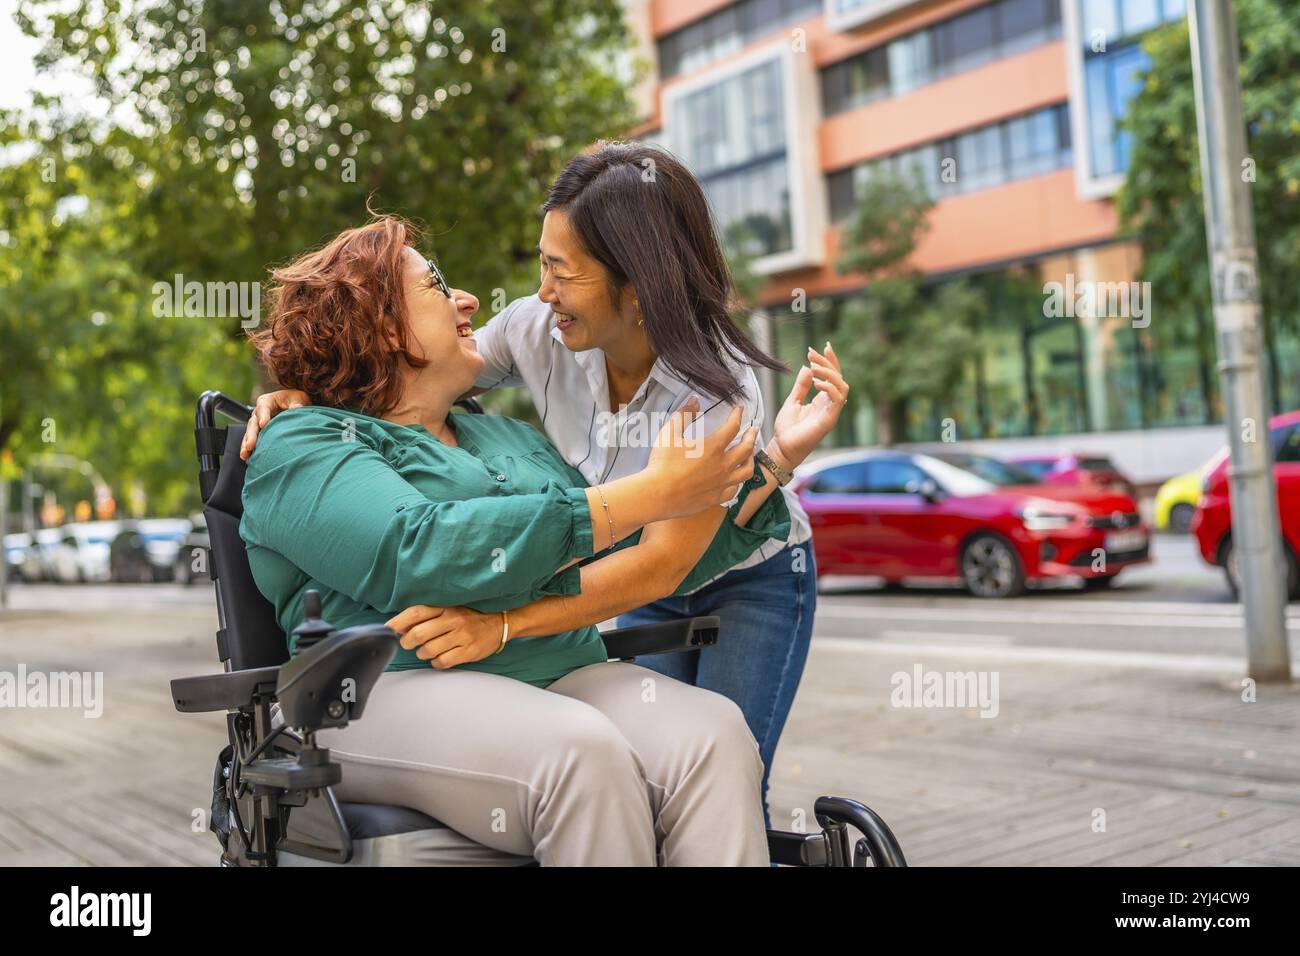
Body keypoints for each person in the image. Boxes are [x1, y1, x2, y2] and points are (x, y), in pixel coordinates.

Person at [242, 144, 850, 830]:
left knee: (718, 743)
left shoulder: (711, 388)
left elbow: (662, 560)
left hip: (738, 575)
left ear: (636, 288)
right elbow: (406, 384)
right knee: (604, 764)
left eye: (561, 271)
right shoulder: (532, 334)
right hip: (430, 679)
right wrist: (309, 387)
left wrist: (770, 463)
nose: (537, 292)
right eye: (541, 263)